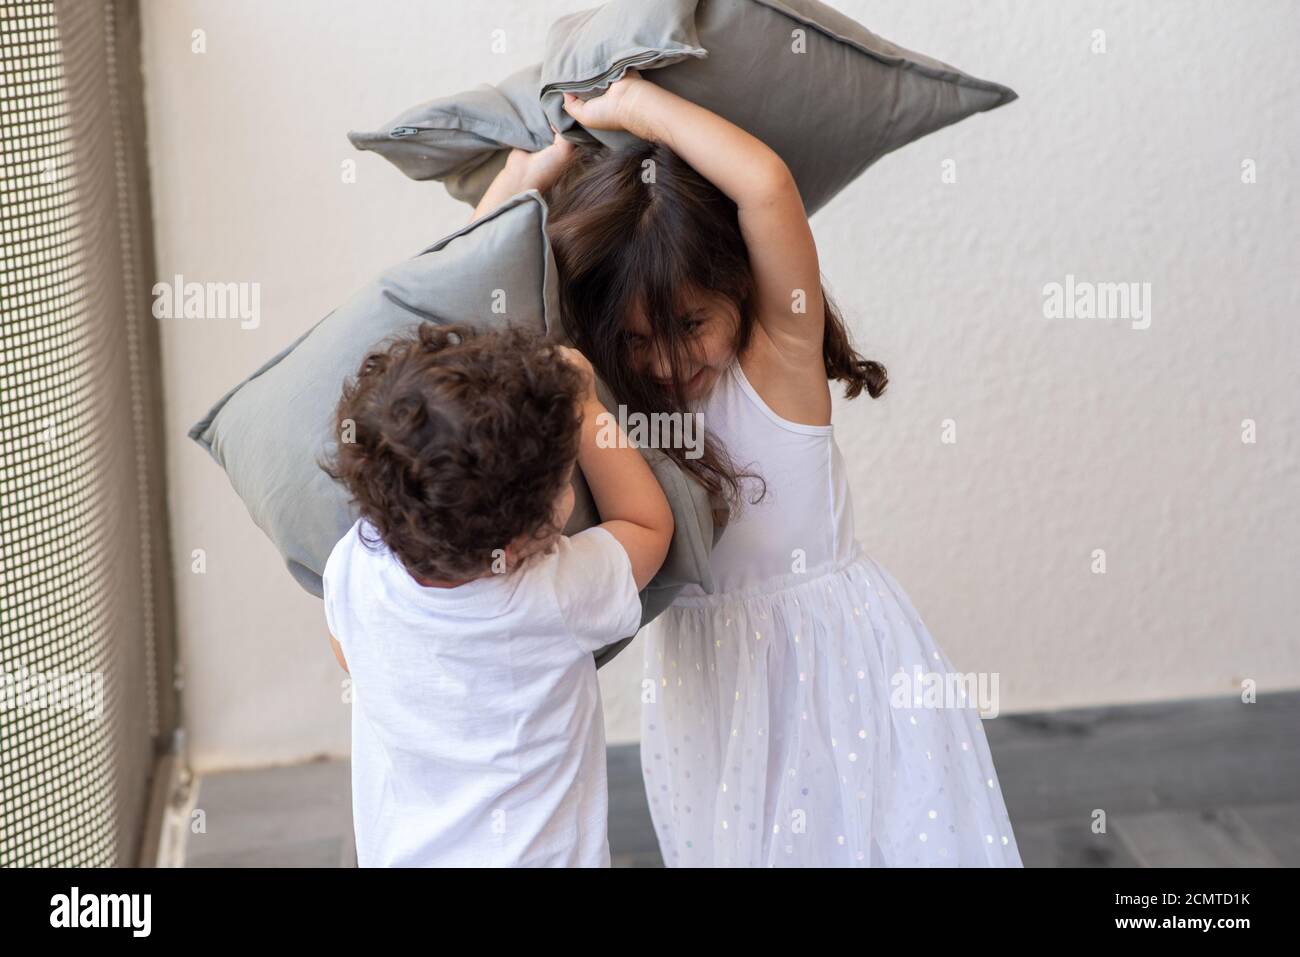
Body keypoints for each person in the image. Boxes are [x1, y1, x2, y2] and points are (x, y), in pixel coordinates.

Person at [543, 70, 1023, 866]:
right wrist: (539, 172)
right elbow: (499, 302)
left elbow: (765, 185)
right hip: (706, 682)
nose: (666, 360)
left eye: (690, 324)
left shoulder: (778, 358)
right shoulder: (615, 398)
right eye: (635, 339)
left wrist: (636, 108)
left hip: (831, 667)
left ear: (737, 285)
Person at [321, 322, 673, 866]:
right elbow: (648, 525)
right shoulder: (553, 592)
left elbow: (350, 655)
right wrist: (586, 406)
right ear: (519, 543)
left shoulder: (354, 565)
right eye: (562, 483)